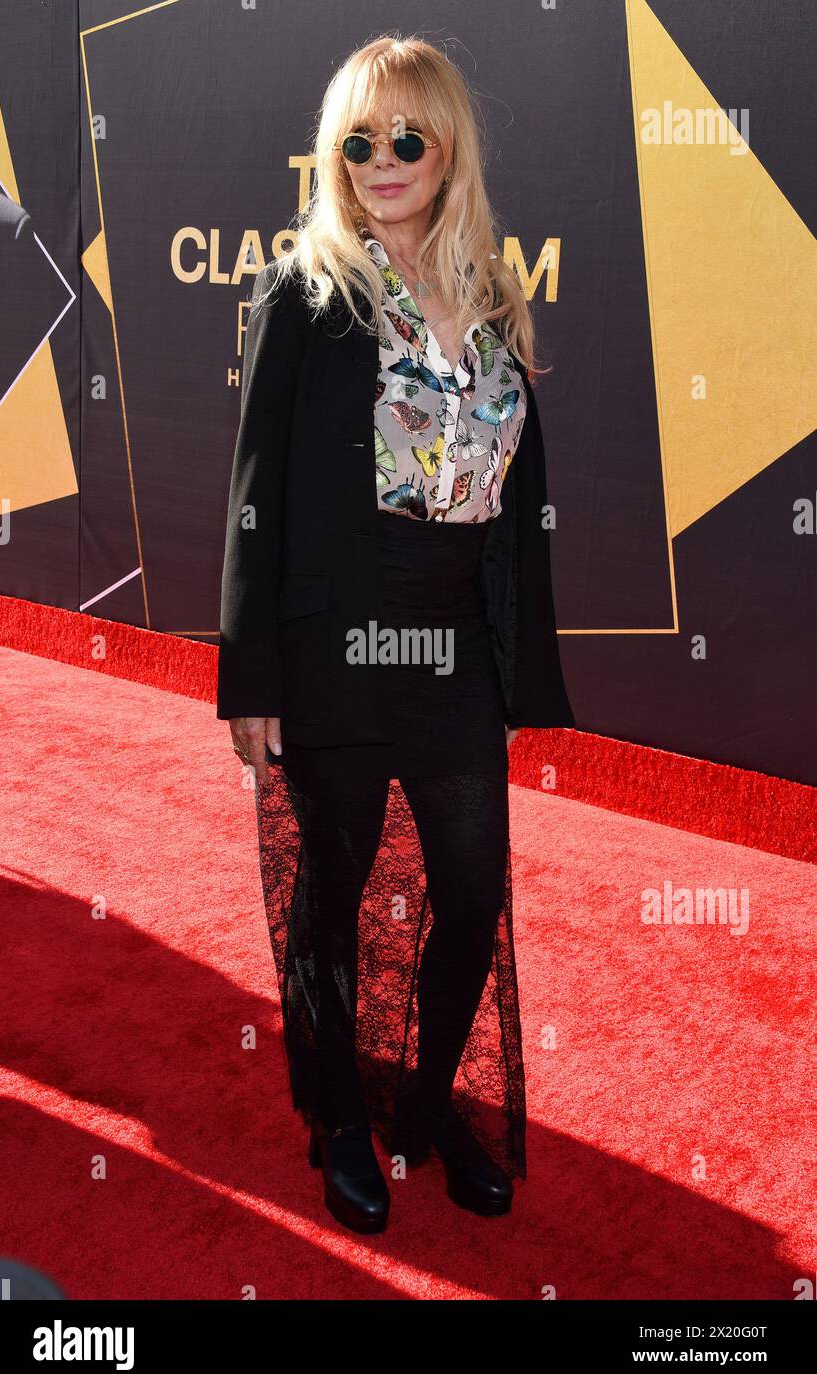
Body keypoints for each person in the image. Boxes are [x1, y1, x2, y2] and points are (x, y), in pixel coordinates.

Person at [217, 35, 575, 1236]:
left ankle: (424, 1104)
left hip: (453, 643)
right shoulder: (303, 293)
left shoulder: (493, 292)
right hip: (339, 642)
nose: (382, 161)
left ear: (449, 148)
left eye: (407, 138)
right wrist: (249, 674)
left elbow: (514, 499)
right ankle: (338, 1120)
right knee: (336, 891)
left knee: (473, 892)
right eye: (357, 141)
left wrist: (522, 654)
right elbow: (254, 495)